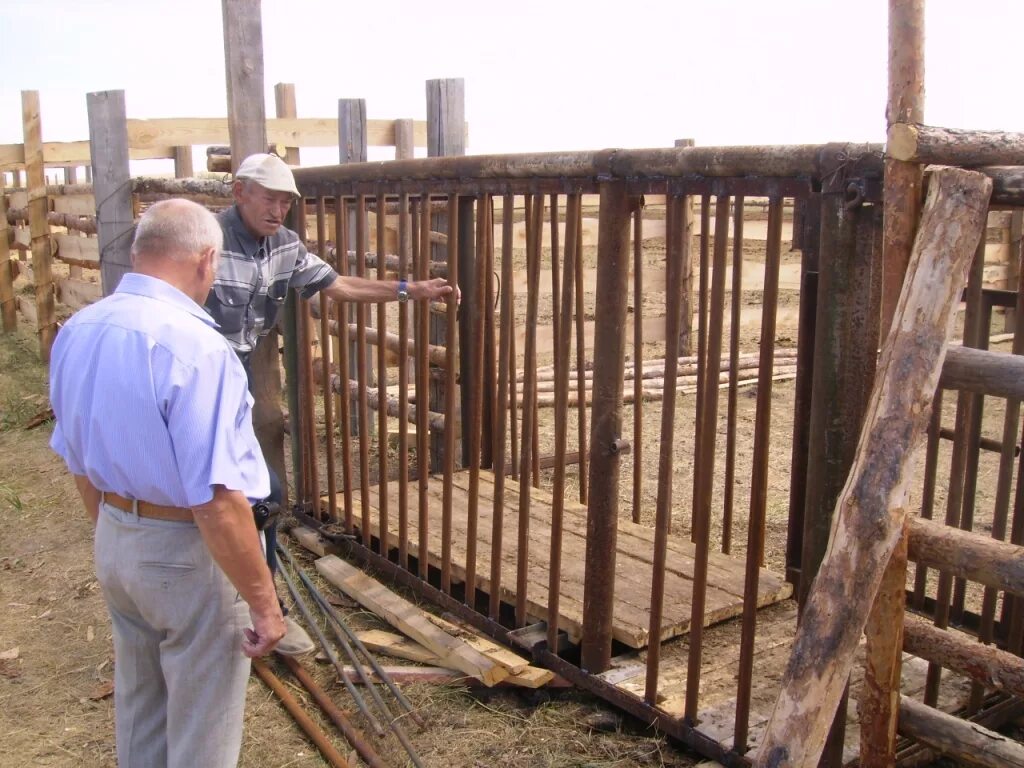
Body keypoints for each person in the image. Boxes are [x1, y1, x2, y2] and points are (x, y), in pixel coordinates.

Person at [49, 199, 285, 768]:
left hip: (116, 533)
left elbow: (77, 459)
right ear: (207, 260)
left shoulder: (80, 328)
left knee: (141, 700)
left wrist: (119, 531)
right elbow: (219, 498)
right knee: (203, 722)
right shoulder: (198, 347)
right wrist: (264, 603)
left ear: (138, 253)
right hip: (187, 552)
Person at [205, 153, 456, 654]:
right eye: (269, 198)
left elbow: (338, 286)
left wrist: (411, 289)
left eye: (286, 202)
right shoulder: (205, 240)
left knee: (254, 495)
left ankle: (248, 602)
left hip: (232, 386)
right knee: (250, 492)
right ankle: (252, 605)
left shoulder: (284, 246)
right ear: (240, 192)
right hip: (192, 380)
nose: (278, 210)